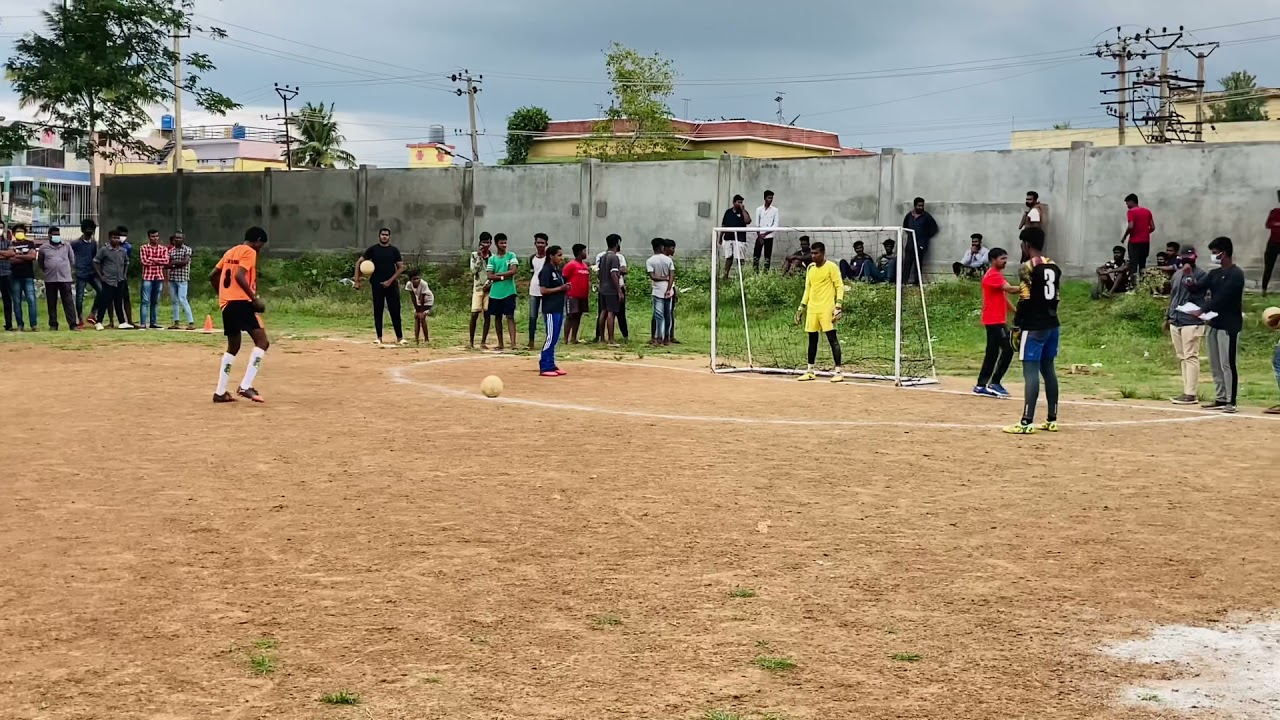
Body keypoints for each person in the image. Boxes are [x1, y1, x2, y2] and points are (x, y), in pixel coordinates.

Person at [1004, 227, 1061, 435]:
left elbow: (1024, 298)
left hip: (1034, 326)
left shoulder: (1027, 267)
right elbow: (1056, 297)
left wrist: (1017, 324)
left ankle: (1027, 421)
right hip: (1052, 323)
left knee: (1031, 372)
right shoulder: (1053, 266)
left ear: (1026, 245)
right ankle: (1052, 419)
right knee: (1049, 370)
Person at [210, 226, 270, 404]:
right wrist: (254, 298)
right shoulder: (249, 251)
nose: (260, 249)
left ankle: (220, 392)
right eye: (261, 245)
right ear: (257, 241)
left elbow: (213, 275)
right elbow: (239, 275)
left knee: (233, 347)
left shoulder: (230, 252)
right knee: (262, 342)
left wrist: (222, 295)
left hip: (227, 304)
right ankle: (245, 386)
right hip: (241, 302)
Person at [1195, 236, 1245, 414]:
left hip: (1229, 325)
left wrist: (1203, 309)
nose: (1213, 256)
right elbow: (1199, 287)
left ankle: (1231, 400)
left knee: (1227, 364)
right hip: (1214, 323)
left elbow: (1223, 297)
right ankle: (1220, 397)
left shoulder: (1236, 274)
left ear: (1224, 253)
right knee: (1215, 363)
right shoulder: (1214, 274)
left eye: (1215, 253)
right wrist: (1188, 278)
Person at [1164, 247, 1208, 405]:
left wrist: (1189, 275)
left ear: (1195, 258)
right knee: (1182, 357)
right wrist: (1167, 317)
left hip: (1192, 321)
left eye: (1190, 258)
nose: (1188, 261)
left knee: (1191, 356)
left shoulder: (1202, 274)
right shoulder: (1176, 275)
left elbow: (1196, 291)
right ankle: (1186, 391)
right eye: (1185, 258)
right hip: (1176, 320)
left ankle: (1191, 393)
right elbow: (1173, 297)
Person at [795, 241, 844, 382]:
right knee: (812, 340)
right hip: (812, 309)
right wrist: (801, 308)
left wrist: (838, 305)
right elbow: (808, 289)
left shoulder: (831, 267)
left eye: (816, 253)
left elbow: (839, 286)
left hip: (827, 309)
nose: (813, 256)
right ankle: (810, 371)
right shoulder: (810, 268)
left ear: (823, 253)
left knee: (832, 339)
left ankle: (838, 371)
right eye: (812, 253)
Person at [973, 247, 1019, 398]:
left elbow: (1004, 297)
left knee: (992, 353)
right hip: (994, 321)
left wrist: (1015, 312)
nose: (1005, 261)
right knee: (1008, 348)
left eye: (1006, 258)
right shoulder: (992, 275)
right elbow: (1011, 290)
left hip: (997, 320)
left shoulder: (997, 275)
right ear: (993, 260)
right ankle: (994, 382)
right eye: (1002, 259)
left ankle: (981, 385)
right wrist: (1030, 287)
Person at [355, 227, 406, 346]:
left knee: (395, 310)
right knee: (378, 310)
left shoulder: (394, 250)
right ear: (379, 236)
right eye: (382, 234)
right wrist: (357, 281)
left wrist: (390, 280)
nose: (384, 236)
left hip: (392, 285)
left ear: (389, 237)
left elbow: (401, 267)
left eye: (387, 235)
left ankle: (400, 337)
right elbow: (359, 262)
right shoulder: (373, 250)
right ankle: (379, 337)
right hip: (377, 284)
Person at [537, 245, 570, 377]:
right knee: (550, 337)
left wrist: (566, 287)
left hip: (558, 308)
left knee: (555, 337)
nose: (561, 258)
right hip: (550, 309)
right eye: (559, 255)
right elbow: (543, 290)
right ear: (551, 256)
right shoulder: (546, 270)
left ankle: (551, 364)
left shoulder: (557, 271)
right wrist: (561, 289)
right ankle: (544, 366)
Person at [37, 227, 77, 330]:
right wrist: (49, 269)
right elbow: (41, 263)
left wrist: (65, 268)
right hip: (50, 278)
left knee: (68, 301)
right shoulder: (43, 248)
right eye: (54, 234)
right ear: (49, 235)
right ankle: (53, 324)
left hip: (65, 278)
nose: (56, 236)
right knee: (51, 302)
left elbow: (71, 260)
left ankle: (72, 324)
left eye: (58, 234)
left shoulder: (66, 245)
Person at [485, 232, 519, 351]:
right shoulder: (492, 259)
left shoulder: (511, 255)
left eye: (505, 242)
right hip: (495, 293)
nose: (504, 245)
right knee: (497, 317)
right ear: (496, 244)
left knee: (510, 316)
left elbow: (513, 271)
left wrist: (498, 275)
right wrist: (503, 277)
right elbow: (489, 275)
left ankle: (513, 343)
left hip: (509, 291)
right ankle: (500, 343)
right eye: (501, 243)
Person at [93, 230, 132, 330]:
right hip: (108, 280)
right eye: (114, 238)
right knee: (105, 301)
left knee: (118, 301)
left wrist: (124, 274)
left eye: (118, 238)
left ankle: (122, 322)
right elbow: (96, 262)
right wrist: (101, 276)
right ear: (110, 238)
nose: (116, 240)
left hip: (120, 280)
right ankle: (99, 322)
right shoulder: (104, 250)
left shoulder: (123, 251)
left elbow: (127, 262)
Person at [593, 243, 629, 342]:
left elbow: (599, 272)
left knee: (603, 312)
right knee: (611, 312)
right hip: (611, 289)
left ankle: (602, 338)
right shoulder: (615, 257)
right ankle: (611, 339)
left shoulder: (602, 257)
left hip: (603, 287)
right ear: (616, 244)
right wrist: (619, 291)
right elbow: (613, 274)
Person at [901, 197, 938, 286]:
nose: (921, 207)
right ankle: (904, 281)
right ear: (915, 206)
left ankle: (916, 282)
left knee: (918, 264)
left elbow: (934, 228)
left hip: (920, 245)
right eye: (919, 205)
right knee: (907, 263)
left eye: (922, 206)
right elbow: (905, 226)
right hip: (910, 244)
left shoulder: (927, 216)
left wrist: (924, 237)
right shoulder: (909, 216)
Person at [8, 224, 38, 331]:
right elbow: (10, 259)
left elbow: (33, 256)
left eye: (21, 231)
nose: (19, 233)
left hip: (28, 276)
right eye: (17, 231)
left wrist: (18, 255)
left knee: (31, 300)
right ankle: (20, 325)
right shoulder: (10, 244)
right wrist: (25, 257)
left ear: (25, 233)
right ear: (14, 233)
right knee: (16, 301)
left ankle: (33, 324)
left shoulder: (30, 243)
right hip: (15, 276)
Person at [646, 237, 674, 346]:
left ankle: (658, 338)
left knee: (659, 315)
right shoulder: (668, 260)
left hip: (657, 291)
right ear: (662, 247)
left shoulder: (650, 260)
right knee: (668, 315)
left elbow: (652, 276)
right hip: (668, 290)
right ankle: (667, 337)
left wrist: (662, 278)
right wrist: (669, 287)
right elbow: (672, 275)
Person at [139, 228, 169, 329]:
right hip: (147, 277)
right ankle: (143, 323)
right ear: (149, 237)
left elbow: (165, 261)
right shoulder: (144, 248)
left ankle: (153, 323)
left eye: (156, 236)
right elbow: (144, 261)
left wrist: (152, 259)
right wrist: (158, 261)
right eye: (153, 236)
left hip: (159, 277)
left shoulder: (163, 248)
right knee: (145, 301)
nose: (155, 238)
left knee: (155, 301)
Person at [71, 220, 99, 328]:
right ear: (83, 230)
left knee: (101, 291)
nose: (89, 233)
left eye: (91, 231)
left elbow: (94, 257)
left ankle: (93, 314)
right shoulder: (75, 243)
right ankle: (80, 319)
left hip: (91, 272)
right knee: (79, 298)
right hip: (80, 273)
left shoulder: (93, 244)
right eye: (87, 231)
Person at [562, 243, 590, 344]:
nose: (585, 253)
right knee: (570, 316)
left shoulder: (584, 265)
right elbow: (564, 278)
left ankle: (574, 338)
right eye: (584, 251)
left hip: (582, 295)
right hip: (572, 295)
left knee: (578, 316)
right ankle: (565, 339)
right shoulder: (571, 265)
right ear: (579, 252)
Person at [468, 232, 492, 349]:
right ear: (480, 243)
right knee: (474, 314)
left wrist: (489, 284)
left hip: (489, 288)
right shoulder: (474, 255)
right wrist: (480, 257)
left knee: (487, 314)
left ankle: (483, 342)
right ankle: (471, 342)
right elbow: (473, 271)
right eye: (484, 242)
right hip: (477, 287)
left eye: (487, 242)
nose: (485, 245)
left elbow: (493, 273)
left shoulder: (493, 257)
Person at [1122, 193, 1155, 276]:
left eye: (1127, 203)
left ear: (1131, 201)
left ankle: (1133, 285)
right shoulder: (1147, 211)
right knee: (1142, 264)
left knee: (1133, 264)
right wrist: (1144, 233)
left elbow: (1130, 226)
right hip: (1145, 241)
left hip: (1134, 241)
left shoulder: (1131, 212)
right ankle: (1142, 284)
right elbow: (1152, 227)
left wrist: (1124, 237)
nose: (1127, 205)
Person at [526, 232, 549, 349]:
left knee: (546, 316)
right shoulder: (532, 258)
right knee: (532, 316)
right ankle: (531, 341)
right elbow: (532, 272)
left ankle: (548, 340)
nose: (540, 245)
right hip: (534, 289)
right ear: (535, 243)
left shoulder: (549, 259)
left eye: (542, 243)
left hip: (545, 290)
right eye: (538, 242)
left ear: (546, 244)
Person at [167, 232, 195, 329]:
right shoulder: (171, 251)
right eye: (176, 238)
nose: (178, 240)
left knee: (183, 299)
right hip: (172, 278)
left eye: (180, 238)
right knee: (174, 301)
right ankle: (176, 322)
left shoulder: (187, 249)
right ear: (174, 239)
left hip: (182, 278)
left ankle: (191, 322)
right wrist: (174, 264)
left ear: (183, 239)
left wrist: (174, 263)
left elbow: (185, 262)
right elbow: (167, 264)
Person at [719, 194, 750, 280]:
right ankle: (725, 275)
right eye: (738, 202)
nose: (740, 204)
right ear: (733, 203)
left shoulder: (743, 212)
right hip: (728, 237)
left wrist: (743, 210)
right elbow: (724, 225)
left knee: (740, 258)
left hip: (740, 239)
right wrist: (720, 236)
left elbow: (747, 221)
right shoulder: (728, 212)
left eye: (741, 202)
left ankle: (741, 276)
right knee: (729, 258)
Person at [753, 190, 779, 272]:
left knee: (767, 256)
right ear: (765, 198)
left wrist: (765, 234)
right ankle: (755, 271)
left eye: (771, 198)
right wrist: (759, 235)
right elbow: (757, 224)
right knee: (756, 255)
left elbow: (775, 225)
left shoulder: (775, 210)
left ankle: (765, 273)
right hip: (760, 235)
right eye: (769, 198)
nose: (770, 200)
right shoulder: (759, 209)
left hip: (769, 236)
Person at [406, 269, 434, 345]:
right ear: (410, 280)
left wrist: (421, 311)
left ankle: (426, 339)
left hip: (428, 300)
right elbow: (413, 297)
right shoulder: (409, 284)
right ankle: (416, 339)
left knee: (422, 317)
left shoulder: (423, 284)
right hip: (418, 301)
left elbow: (423, 297)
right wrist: (416, 309)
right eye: (414, 279)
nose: (416, 281)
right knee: (416, 318)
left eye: (418, 278)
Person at [116, 226, 135, 326]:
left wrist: (125, 274)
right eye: (121, 235)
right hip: (112, 276)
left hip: (123, 276)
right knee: (113, 300)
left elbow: (128, 261)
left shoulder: (128, 247)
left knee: (126, 298)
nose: (123, 237)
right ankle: (112, 321)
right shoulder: (110, 246)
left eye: (125, 235)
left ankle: (129, 320)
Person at [1264, 190, 1280, 296]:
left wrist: (1276, 224)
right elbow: (1268, 224)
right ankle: (1263, 289)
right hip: (1273, 243)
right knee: (1268, 267)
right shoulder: (1275, 212)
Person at [663, 239, 679, 343]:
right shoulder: (663, 260)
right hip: (663, 289)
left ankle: (670, 335)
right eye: (673, 248)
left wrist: (673, 289)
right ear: (667, 248)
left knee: (670, 313)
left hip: (670, 289)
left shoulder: (669, 260)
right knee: (658, 313)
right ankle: (657, 336)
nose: (674, 251)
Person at [0, 223, 12, 331]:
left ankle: (9, 324)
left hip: (5, 274)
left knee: (7, 300)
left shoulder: (8, 242)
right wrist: (5, 254)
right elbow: (7, 254)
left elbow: (11, 253)